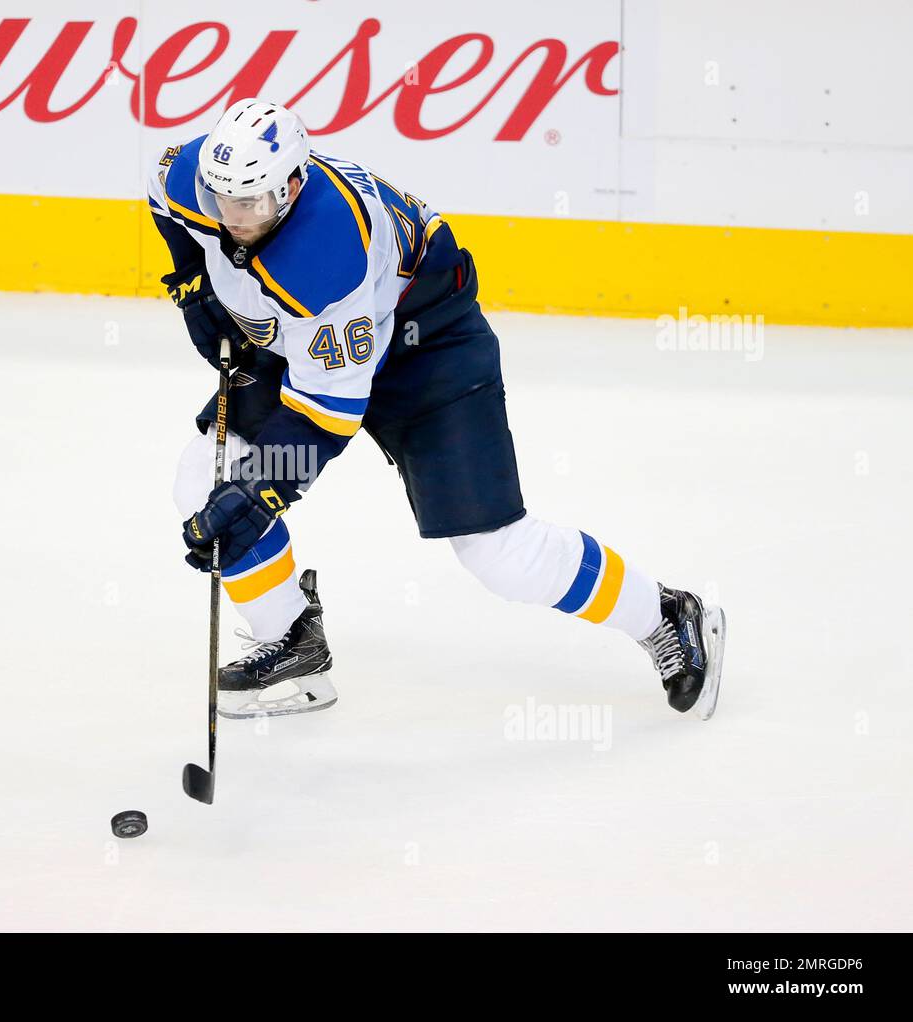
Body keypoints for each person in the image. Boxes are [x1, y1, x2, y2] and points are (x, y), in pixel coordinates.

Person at [149, 98, 725, 720]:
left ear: (291, 185)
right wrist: (191, 288)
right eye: (220, 202)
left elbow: (324, 412)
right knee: (202, 476)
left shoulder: (329, 253)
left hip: (426, 348)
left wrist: (261, 492)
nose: (231, 218)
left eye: (251, 205)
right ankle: (293, 644)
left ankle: (665, 613)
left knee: (500, 555)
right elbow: (165, 202)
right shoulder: (196, 178)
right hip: (301, 335)